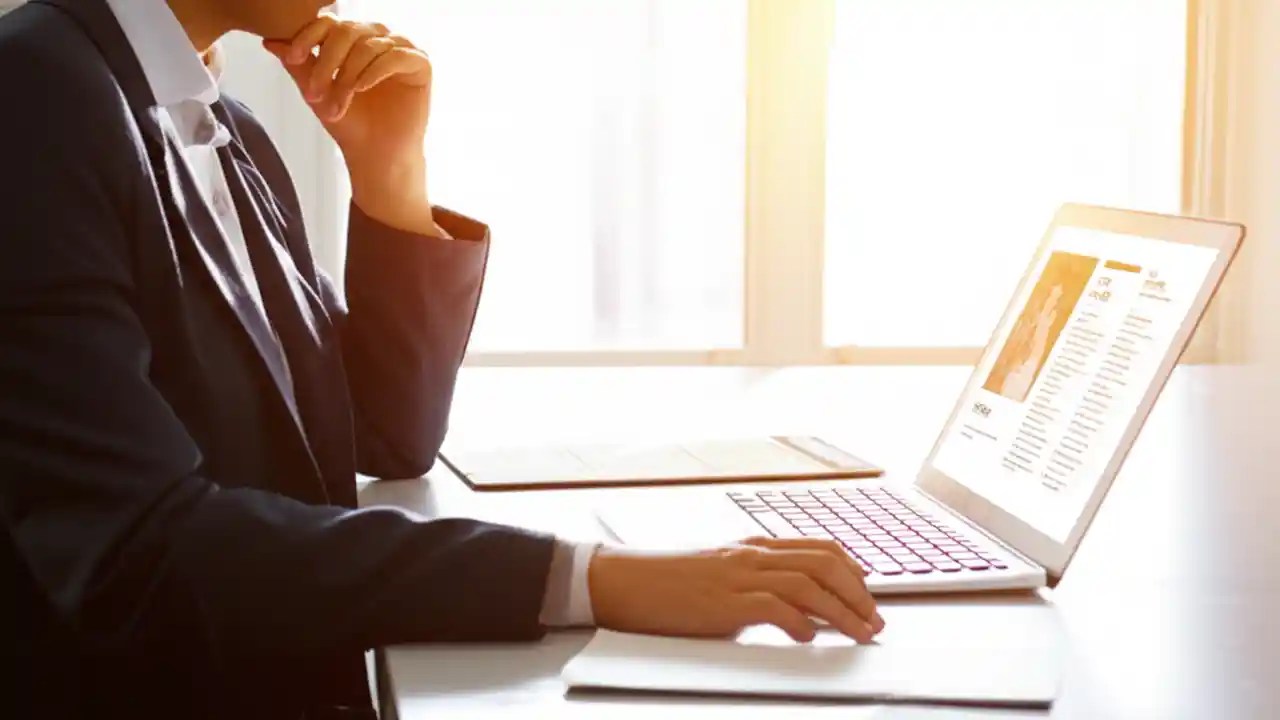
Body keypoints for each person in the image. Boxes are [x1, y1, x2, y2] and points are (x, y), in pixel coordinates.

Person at [0, 1, 883, 717]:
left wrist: (391, 175)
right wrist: (591, 579)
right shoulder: (34, 96)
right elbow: (135, 551)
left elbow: (385, 432)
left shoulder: (222, 125)